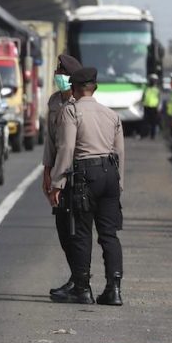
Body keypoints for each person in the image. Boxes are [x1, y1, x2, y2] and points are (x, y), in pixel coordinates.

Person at [49, 67, 125, 306]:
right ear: (96, 87)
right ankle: (114, 289)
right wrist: (119, 182)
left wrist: (57, 183)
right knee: (109, 235)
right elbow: (119, 151)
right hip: (110, 174)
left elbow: (67, 149)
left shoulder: (71, 112)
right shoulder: (111, 114)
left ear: (74, 89)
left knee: (81, 233)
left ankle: (82, 289)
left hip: (84, 175)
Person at [41, 54, 83, 299]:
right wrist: (46, 171)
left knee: (76, 229)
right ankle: (75, 276)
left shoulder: (80, 104)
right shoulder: (54, 101)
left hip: (76, 173)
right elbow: (51, 141)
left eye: (61, 72)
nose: (57, 75)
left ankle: (79, 280)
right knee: (62, 228)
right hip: (57, 169)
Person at [141, 74, 160, 140]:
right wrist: (142, 103)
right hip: (146, 107)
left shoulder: (157, 89)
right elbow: (143, 97)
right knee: (145, 122)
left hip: (154, 107)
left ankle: (153, 136)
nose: (152, 81)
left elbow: (159, 98)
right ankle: (143, 135)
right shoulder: (146, 88)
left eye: (153, 80)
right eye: (151, 80)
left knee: (153, 123)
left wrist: (158, 107)